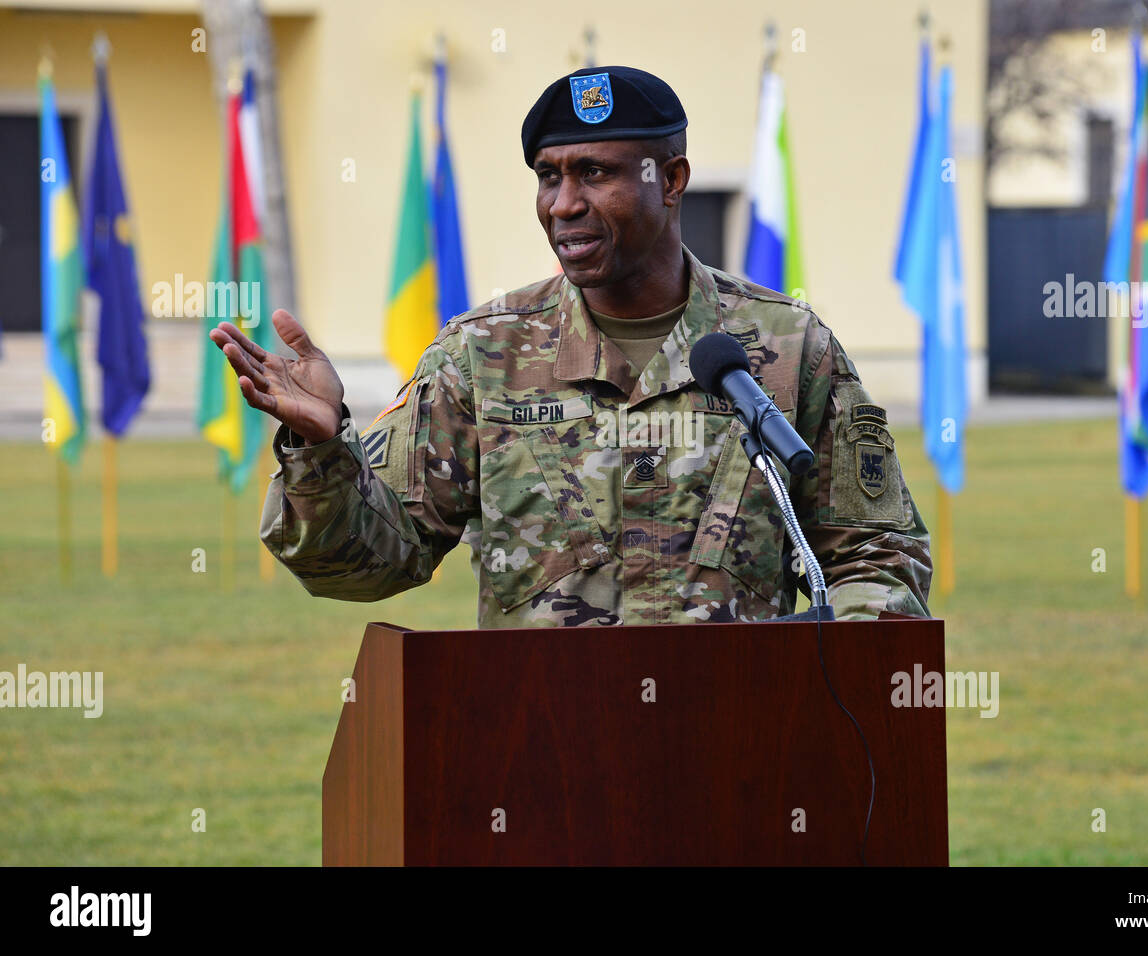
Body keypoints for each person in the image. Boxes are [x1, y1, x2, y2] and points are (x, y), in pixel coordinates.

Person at [210, 65, 932, 627]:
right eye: (549, 176)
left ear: (671, 180)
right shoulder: (480, 357)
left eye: (595, 173)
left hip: (736, 745)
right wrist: (322, 452)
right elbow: (367, 565)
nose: (563, 204)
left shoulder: (786, 348)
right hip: (544, 748)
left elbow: (878, 556)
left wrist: (811, 672)